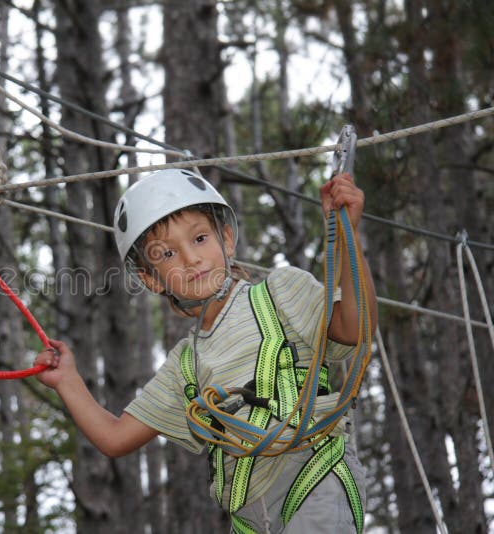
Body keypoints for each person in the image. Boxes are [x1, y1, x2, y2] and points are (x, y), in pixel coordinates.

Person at [33, 168, 377, 533]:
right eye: (167, 253)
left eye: (199, 238)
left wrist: (346, 236)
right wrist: (67, 381)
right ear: (151, 278)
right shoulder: (185, 365)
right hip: (248, 518)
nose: (190, 259)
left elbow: (354, 329)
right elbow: (117, 437)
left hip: (313, 479)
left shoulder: (280, 294)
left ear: (226, 240)